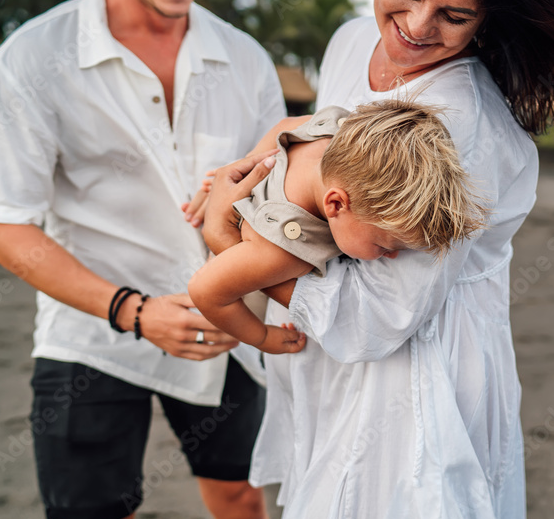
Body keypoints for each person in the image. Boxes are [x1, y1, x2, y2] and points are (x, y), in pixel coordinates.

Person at [195, 0, 554, 519]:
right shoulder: (353, 41)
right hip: (331, 360)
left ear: (485, 20)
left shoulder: (460, 123)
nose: (416, 26)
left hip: (413, 380)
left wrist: (234, 244)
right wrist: (243, 176)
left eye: (454, 15)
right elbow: (313, 138)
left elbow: (377, 315)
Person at [0, 0, 287, 519]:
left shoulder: (246, 58)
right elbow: (3, 222)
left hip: (222, 325)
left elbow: (274, 197)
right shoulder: (31, 58)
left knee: (246, 510)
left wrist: (239, 227)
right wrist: (131, 310)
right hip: (91, 334)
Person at [189, 100, 485, 353]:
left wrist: (248, 165)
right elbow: (206, 291)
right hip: (222, 255)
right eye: (384, 246)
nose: (392, 257)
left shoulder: (333, 132)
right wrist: (262, 336)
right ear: (335, 205)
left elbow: (287, 123)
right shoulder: (285, 248)